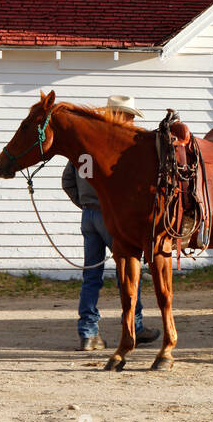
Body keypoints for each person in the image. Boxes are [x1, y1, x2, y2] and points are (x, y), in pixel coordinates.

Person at [62, 94, 159, 351]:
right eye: (127, 116)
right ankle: (135, 326)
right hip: (112, 216)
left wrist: (84, 204)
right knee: (127, 272)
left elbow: (68, 182)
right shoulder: (116, 146)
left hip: (89, 216)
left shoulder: (84, 146)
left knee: (91, 276)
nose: (129, 120)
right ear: (117, 116)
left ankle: (88, 333)